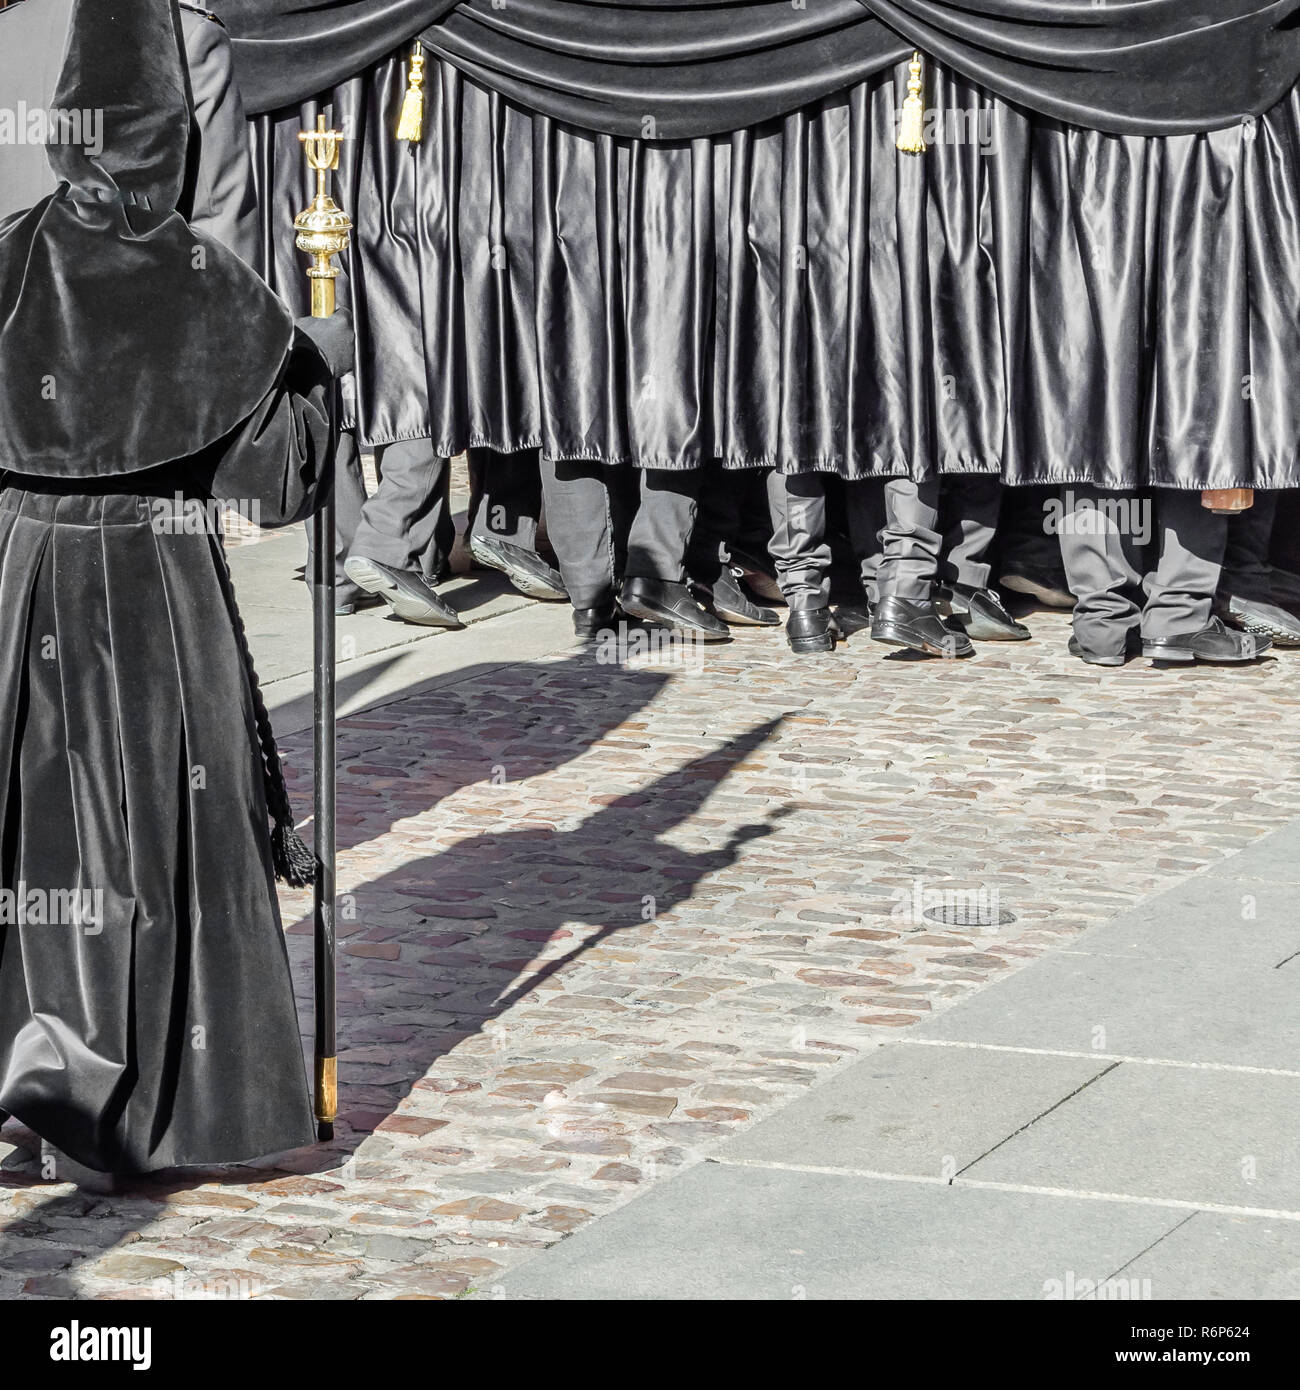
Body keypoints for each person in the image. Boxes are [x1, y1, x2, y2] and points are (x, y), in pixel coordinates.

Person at [0, 0, 348, 1179]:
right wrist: (320, 364)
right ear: (174, 134)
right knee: (144, 837)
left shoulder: (6, 256)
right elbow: (276, 483)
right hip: (154, 580)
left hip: (18, 576)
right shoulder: (209, 282)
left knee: (30, 839)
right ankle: (138, 1102)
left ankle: (26, 1089)